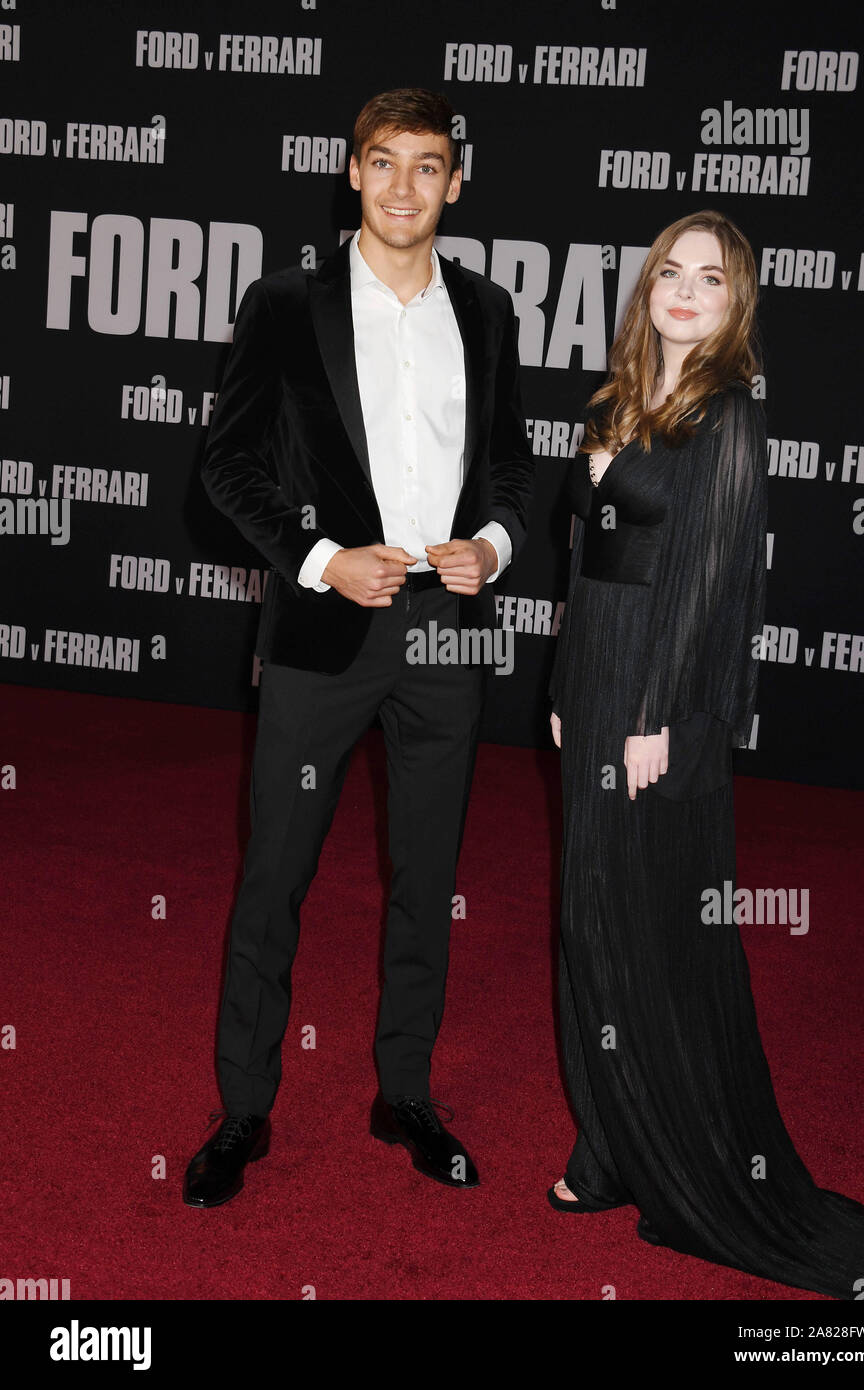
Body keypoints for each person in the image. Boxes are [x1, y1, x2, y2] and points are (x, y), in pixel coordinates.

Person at [546, 210, 864, 1299]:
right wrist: (568, 690)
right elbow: (585, 565)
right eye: (670, 271)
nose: (684, 291)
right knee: (583, 914)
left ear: (734, 302)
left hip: (659, 697)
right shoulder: (619, 400)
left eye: (709, 279)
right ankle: (607, 1142)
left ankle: (675, 1156)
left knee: (641, 920)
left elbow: (709, 582)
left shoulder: (726, 413)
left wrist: (657, 712)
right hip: (597, 682)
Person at [183, 88, 532, 1207]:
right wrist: (321, 556)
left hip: (443, 631)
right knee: (274, 874)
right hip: (322, 631)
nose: (400, 188)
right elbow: (225, 466)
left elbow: (517, 466)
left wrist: (492, 541)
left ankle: (406, 1092)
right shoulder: (285, 302)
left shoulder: (487, 309)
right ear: (351, 172)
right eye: (382, 164)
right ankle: (243, 1110)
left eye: (425, 167)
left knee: (425, 879)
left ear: (454, 183)